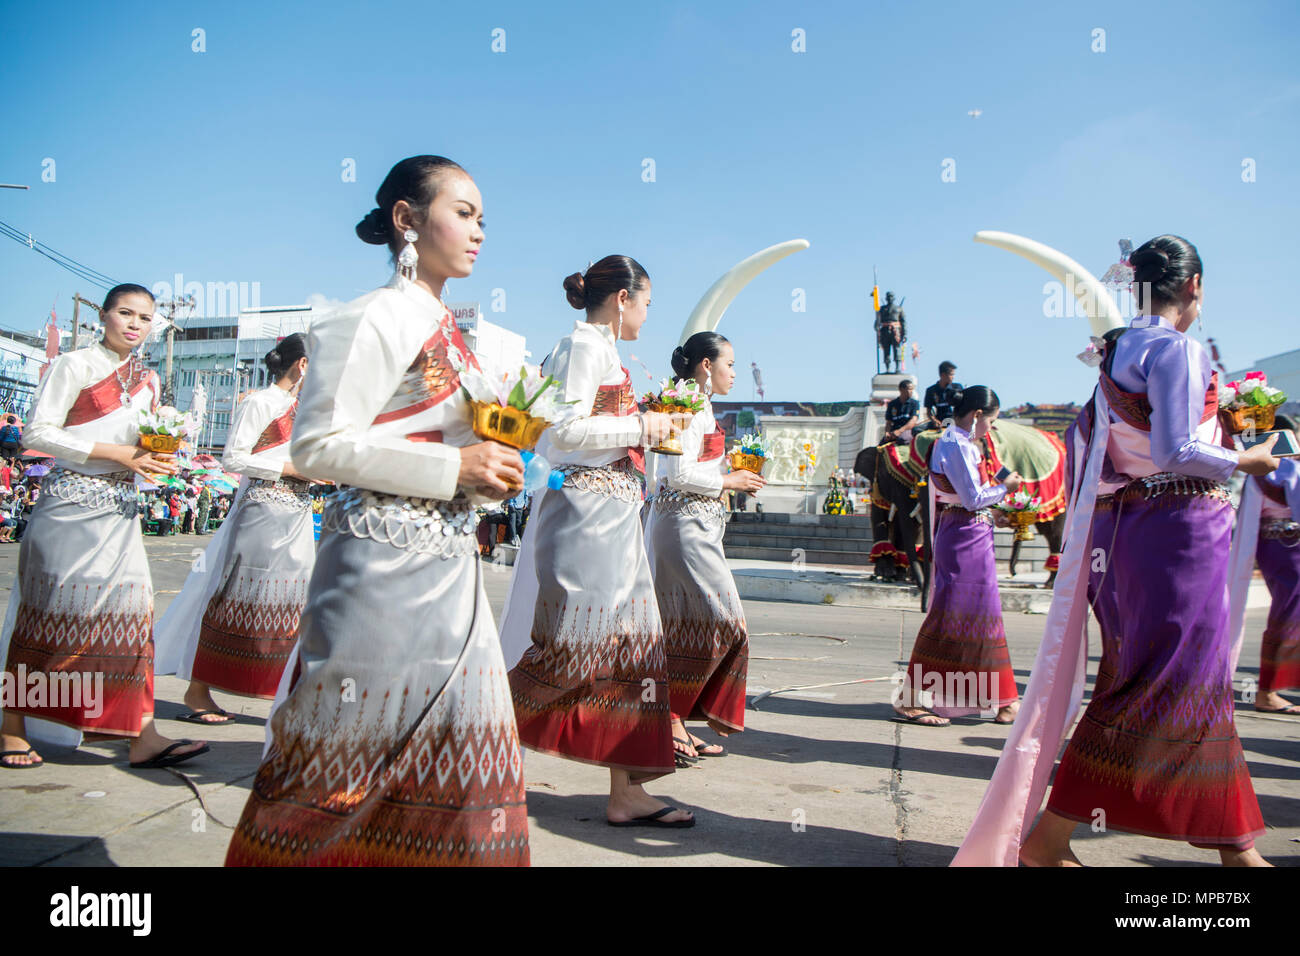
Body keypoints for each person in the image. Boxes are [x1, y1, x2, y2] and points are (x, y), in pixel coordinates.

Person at [225, 155, 529, 865]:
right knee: (343, 756)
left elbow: (436, 443)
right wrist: (454, 465)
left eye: (484, 218)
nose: (479, 230)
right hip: (379, 571)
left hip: (453, 567)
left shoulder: (455, 337)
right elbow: (322, 445)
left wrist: (486, 475)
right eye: (463, 211)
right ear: (406, 219)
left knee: (466, 755)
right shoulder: (364, 318)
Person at [956, 235, 1279, 867]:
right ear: (1194, 287)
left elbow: (1094, 459)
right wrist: (1248, 457)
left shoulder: (1114, 359)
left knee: (1157, 679)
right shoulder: (1176, 349)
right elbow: (1177, 451)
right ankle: (1053, 840)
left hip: (1126, 532)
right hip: (1179, 532)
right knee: (1177, 681)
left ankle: (1230, 848)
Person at [499, 255, 695, 828]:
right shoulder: (581, 346)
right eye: (646, 304)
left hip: (612, 514)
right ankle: (461, 743)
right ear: (622, 299)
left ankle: (626, 789)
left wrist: (646, 423)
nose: (646, 316)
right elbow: (559, 434)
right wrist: (642, 426)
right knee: (570, 648)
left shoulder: (604, 351)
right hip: (585, 515)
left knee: (634, 649)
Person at [0, 284, 207, 770]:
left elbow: (143, 442)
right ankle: (12, 727)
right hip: (68, 507)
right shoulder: (73, 365)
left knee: (133, 619)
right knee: (45, 616)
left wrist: (157, 457)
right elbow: (38, 433)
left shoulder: (149, 382)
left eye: (145, 317)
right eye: (125, 313)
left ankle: (143, 734)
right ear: (105, 316)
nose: (135, 324)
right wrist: (118, 454)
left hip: (121, 511)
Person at [154, 334, 317, 724]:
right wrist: (290, 468)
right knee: (234, 596)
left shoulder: (308, 411)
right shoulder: (260, 403)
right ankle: (198, 691)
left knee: (293, 605)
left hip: (297, 511)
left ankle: (282, 690)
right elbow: (234, 457)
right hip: (262, 510)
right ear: (304, 365)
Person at [646, 331, 764, 765]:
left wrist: (727, 473)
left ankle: (673, 718)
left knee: (685, 627)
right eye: (728, 364)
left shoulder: (696, 404)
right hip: (683, 529)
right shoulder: (685, 405)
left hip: (696, 527)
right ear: (705, 366)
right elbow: (675, 474)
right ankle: (671, 717)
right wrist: (729, 480)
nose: (734, 372)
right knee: (723, 622)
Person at [893, 386, 1022, 726]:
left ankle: (1005, 699)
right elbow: (972, 498)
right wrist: (1005, 490)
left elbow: (970, 499)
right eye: (991, 421)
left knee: (982, 618)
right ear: (977, 415)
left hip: (972, 534)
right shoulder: (955, 444)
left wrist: (995, 510)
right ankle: (910, 698)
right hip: (964, 537)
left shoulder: (961, 444)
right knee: (952, 616)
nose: (991, 429)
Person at [1225, 418, 1300, 716]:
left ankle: (1273, 688)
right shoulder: (1274, 469)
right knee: (1289, 614)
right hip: (1284, 546)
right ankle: (1268, 691)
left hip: (1283, 547)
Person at [924, 361, 962, 429]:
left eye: (953, 374)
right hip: (940, 420)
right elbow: (928, 412)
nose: (953, 377)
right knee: (917, 430)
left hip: (955, 420)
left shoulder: (957, 388)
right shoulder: (931, 390)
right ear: (943, 375)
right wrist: (934, 420)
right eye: (951, 375)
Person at [881, 379, 920, 445]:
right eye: (909, 389)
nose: (911, 391)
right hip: (894, 432)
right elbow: (889, 422)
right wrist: (887, 433)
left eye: (912, 389)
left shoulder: (914, 403)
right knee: (879, 447)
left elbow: (913, 420)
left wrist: (900, 431)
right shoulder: (892, 404)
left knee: (902, 440)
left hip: (907, 431)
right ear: (901, 389)